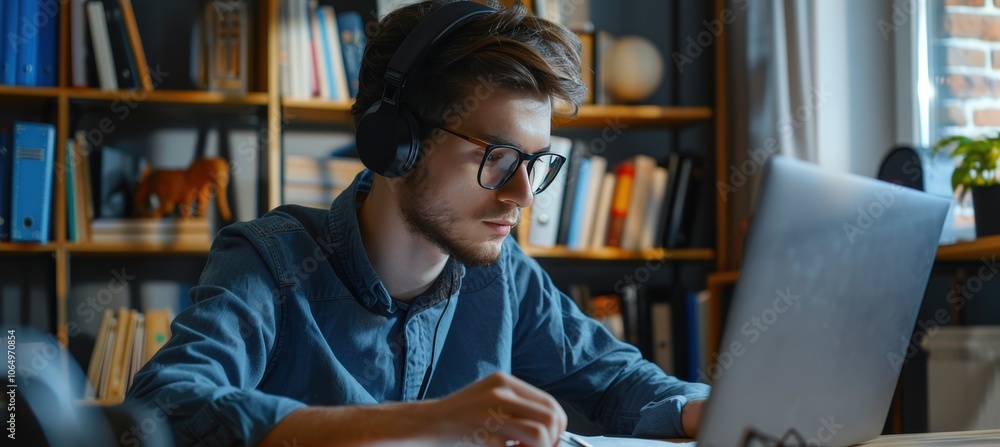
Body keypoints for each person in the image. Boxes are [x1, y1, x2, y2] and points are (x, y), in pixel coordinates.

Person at [125, 1, 711, 446]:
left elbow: (614, 380)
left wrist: (704, 410)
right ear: (396, 145)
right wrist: (430, 424)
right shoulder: (270, 260)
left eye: (536, 164)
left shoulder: (504, 275)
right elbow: (164, 405)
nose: (524, 195)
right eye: (498, 159)